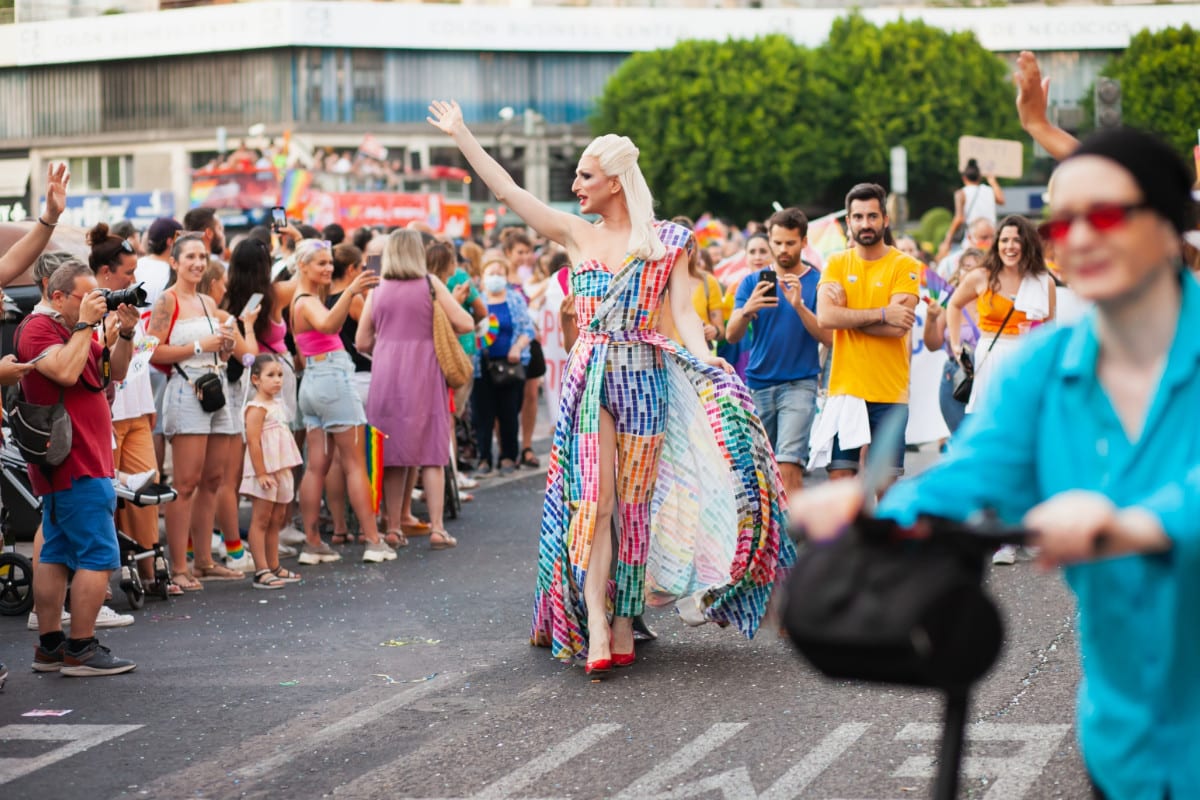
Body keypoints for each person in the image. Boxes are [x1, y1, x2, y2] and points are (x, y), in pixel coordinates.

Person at [795, 126, 1199, 800]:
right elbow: (971, 476)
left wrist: (1138, 524)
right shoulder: (1044, 368)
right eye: (1063, 223)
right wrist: (873, 513)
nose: (1079, 238)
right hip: (1126, 742)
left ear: (1168, 225)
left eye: (1102, 215)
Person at [429, 99, 793, 673]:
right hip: (591, 374)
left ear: (617, 183)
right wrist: (463, 135)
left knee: (635, 507)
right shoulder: (575, 232)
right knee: (595, 502)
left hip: (646, 376)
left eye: (585, 175)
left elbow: (684, 312)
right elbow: (508, 194)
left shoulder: (670, 241)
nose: (575, 185)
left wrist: (709, 363)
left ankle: (625, 619)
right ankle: (597, 623)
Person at [22, 257, 140, 676]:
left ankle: (51, 646)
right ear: (57, 296)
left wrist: (123, 332)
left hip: (84, 459)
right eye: (86, 296)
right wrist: (87, 326)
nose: (96, 302)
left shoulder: (71, 330)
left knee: (54, 553)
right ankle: (81, 648)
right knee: (98, 555)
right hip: (74, 462)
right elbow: (66, 374)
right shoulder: (39, 329)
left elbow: (115, 372)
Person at [356, 230, 474, 550]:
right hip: (424, 370)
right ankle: (437, 528)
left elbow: (362, 341)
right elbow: (465, 323)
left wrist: (387, 346)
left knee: (393, 454)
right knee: (433, 454)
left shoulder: (376, 289)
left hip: (386, 373)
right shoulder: (430, 284)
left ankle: (393, 527)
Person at [147, 233, 246, 591]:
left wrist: (224, 346)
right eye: (189, 256)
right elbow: (151, 351)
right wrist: (198, 345)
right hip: (187, 391)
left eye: (202, 256)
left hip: (215, 390)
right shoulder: (166, 300)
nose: (197, 263)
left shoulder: (206, 300)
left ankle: (204, 561)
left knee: (213, 480)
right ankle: (179, 567)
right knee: (185, 483)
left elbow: (217, 350)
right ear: (174, 262)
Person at [289, 239, 393, 564]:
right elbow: (328, 324)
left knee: (317, 466)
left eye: (329, 262)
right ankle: (374, 541)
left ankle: (313, 542)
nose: (328, 268)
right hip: (331, 381)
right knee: (353, 464)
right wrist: (350, 291)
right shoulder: (306, 301)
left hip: (315, 383)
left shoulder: (303, 299)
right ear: (302, 266)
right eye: (320, 263)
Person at [811, 183, 920, 485]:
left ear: (885, 219)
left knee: (885, 483)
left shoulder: (905, 265)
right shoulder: (836, 262)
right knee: (842, 477)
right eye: (857, 217)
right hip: (847, 390)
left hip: (889, 391)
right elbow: (825, 317)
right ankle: (849, 535)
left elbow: (898, 328)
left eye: (872, 216)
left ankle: (880, 535)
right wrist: (881, 312)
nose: (865, 224)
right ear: (849, 221)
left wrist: (847, 315)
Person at [727, 209, 830, 496]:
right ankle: (770, 538)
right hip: (759, 384)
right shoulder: (752, 282)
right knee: (760, 472)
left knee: (789, 465)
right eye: (778, 243)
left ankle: (792, 539)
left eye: (790, 243)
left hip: (801, 383)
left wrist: (799, 306)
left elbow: (830, 338)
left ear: (804, 242)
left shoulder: (818, 282)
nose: (783, 250)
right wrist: (748, 310)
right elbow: (731, 334)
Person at [89, 224, 168, 589]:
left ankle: (151, 573)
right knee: (106, 501)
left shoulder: (130, 303)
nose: (136, 280)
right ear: (107, 273)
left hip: (136, 410)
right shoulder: (90, 305)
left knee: (147, 491)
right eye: (129, 272)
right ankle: (101, 581)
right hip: (105, 416)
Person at [946, 215, 1056, 415]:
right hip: (991, 357)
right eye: (1004, 240)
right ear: (997, 244)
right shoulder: (982, 276)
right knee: (990, 422)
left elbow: (1050, 330)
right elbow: (954, 304)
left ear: (1027, 243)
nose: (1010, 246)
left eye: (1016, 240)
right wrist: (955, 345)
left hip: (1028, 359)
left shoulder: (1043, 282)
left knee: (1024, 423)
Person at [240, 355, 304, 589]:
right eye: (271, 375)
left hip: (281, 469)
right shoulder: (256, 408)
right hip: (265, 471)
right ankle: (261, 569)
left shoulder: (277, 405)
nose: (277, 380)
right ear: (256, 379)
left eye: (280, 375)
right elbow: (254, 442)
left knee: (276, 519)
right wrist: (261, 473)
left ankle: (274, 564)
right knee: (262, 519)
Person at [470, 255, 536, 477]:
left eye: (500, 273)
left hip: (511, 364)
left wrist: (517, 347)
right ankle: (484, 458)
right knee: (483, 414)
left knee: (509, 412)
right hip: (483, 366)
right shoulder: (477, 301)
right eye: (491, 273)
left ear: (506, 277)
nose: (495, 277)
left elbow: (528, 330)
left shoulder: (515, 299)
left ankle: (509, 456)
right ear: (482, 276)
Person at [923, 248, 985, 436]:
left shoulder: (994, 303)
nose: (972, 273)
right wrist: (931, 319)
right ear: (958, 273)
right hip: (957, 379)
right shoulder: (950, 304)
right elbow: (933, 345)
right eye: (967, 267)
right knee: (961, 441)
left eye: (979, 268)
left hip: (987, 375)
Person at [500, 229, 546, 469]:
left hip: (532, 343)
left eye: (528, 252)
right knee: (506, 399)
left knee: (530, 396)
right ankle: (506, 447)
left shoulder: (531, 277)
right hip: (506, 345)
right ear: (508, 253)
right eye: (520, 252)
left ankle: (526, 446)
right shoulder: (498, 276)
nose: (525, 256)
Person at [937, 159, 1005, 260]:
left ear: (964, 178)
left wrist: (948, 239)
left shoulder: (961, 193)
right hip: (991, 234)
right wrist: (993, 182)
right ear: (979, 177)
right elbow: (1001, 200)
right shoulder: (988, 190)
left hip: (974, 236)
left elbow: (959, 218)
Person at [135, 217, 182, 306]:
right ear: (170, 242)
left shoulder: (136, 265)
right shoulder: (174, 272)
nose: (183, 244)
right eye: (180, 239)